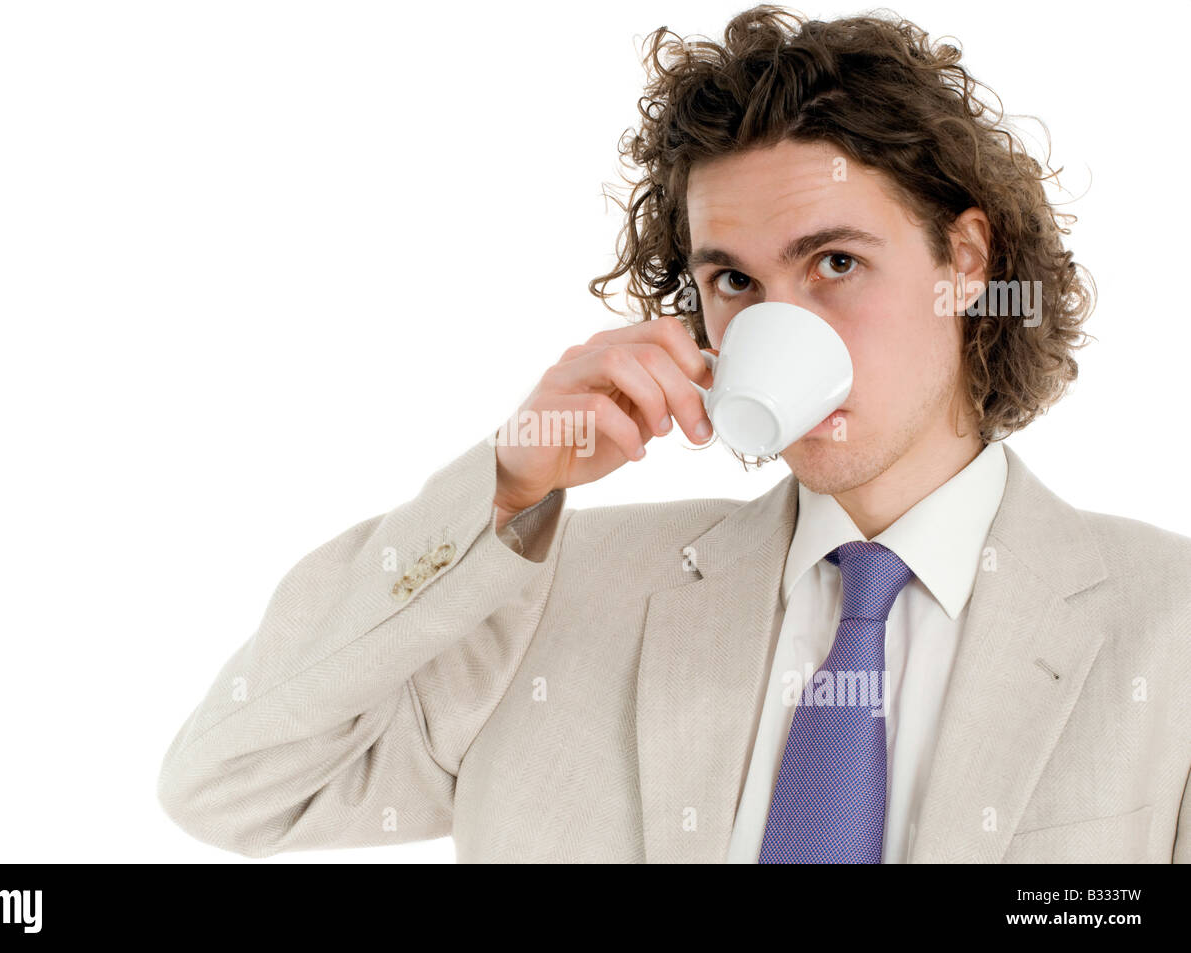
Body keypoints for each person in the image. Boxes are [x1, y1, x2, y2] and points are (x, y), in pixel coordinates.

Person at [156, 4, 1191, 862]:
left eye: (834, 262)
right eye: (734, 279)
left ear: (965, 262)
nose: (781, 325)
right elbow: (232, 784)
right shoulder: (554, 590)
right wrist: (506, 488)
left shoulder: (1168, 625)